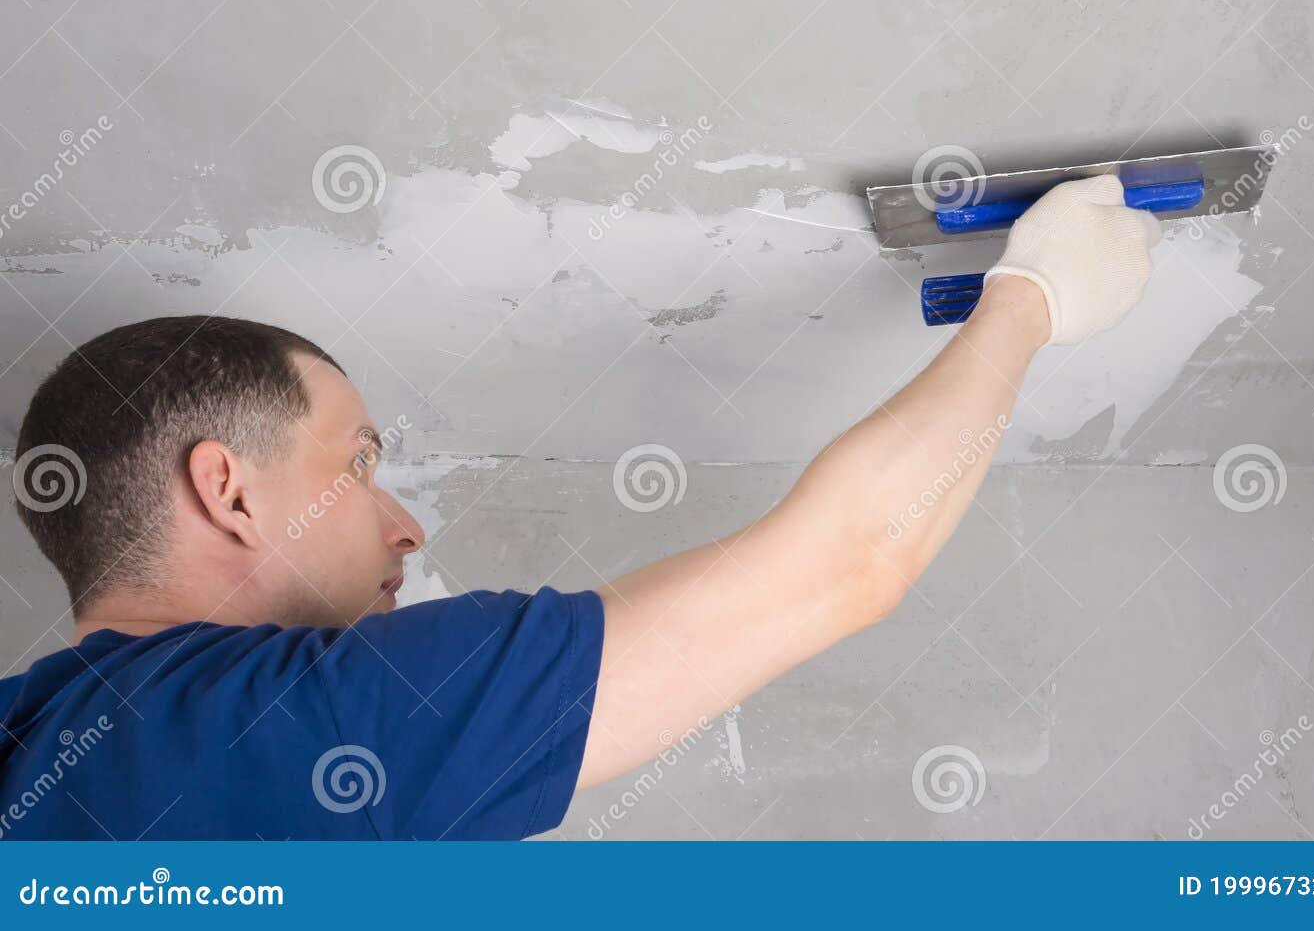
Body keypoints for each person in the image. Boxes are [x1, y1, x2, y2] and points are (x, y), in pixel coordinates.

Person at [0, 176, 1158, 839]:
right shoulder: (291, 722)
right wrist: (1031, 297)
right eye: (356, 465)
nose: (406, 526)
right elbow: (850, 560)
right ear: (231, 490)